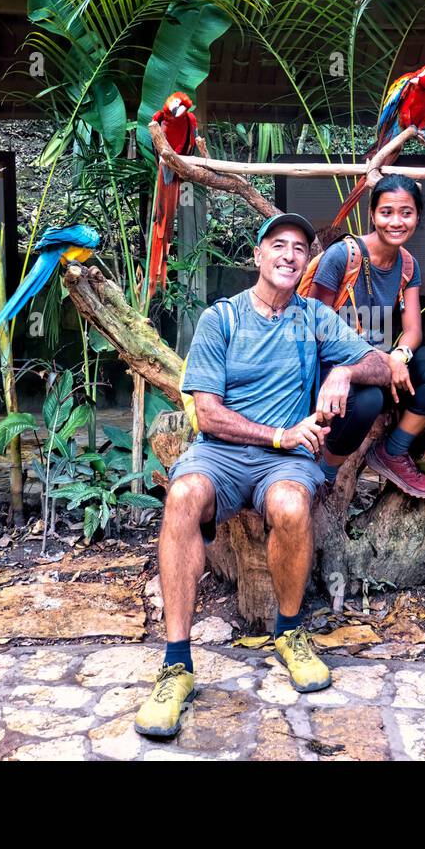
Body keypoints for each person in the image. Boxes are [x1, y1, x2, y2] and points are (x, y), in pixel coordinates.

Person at [134, 213, 390, 739]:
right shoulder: (220, 318)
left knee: (291, 507)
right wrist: (277, 435)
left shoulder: (314, 317)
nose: (290, 255)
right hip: (224, 453)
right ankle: (176, 665)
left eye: (300, 247)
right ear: (257, 255)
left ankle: (290, 633)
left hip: (288, 460)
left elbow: (383, 369)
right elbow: (206, 414)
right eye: (279, 245)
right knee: (182, 495)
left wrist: (343, 369)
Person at [305, 174, 425, 498]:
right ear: (373, 214)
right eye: (387, 212)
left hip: (382, 367)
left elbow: (414, 329)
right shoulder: (342, 256)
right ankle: (325, 475)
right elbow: (314, 326)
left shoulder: (407, 265)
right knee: (368, 401)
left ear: (417, 216)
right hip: (334, 369)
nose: (396, 221)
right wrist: (383, 362)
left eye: (406, 212)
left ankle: (393, 450)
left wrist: (399, 356)